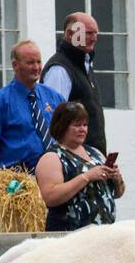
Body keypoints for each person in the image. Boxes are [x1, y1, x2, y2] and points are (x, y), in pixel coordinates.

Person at [34, 101, 123, 232]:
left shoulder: (95, 153)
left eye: (85, 125)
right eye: (77, 125)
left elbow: (117, 193)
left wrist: (117, 179)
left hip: (103, 235)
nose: (83, 129)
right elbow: (50, 197)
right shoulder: (52, 157)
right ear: (62, 127)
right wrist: (87, 177)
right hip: (69, 236)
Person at [0, 40, 64, 174]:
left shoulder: (54, 98)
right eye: (30, 63)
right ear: (15, 65)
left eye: (38, 62)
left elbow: (68, 137)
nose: (36, 67)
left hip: (54, 177)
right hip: (18, 182)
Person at [42, 12, 107, 155]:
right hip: (72, 161)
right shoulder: (59, 70)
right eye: (88, 33)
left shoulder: (84, 65)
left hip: (88, 157)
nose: (94, 38)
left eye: (96, 33)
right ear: (70, 34)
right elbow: (52, 119)